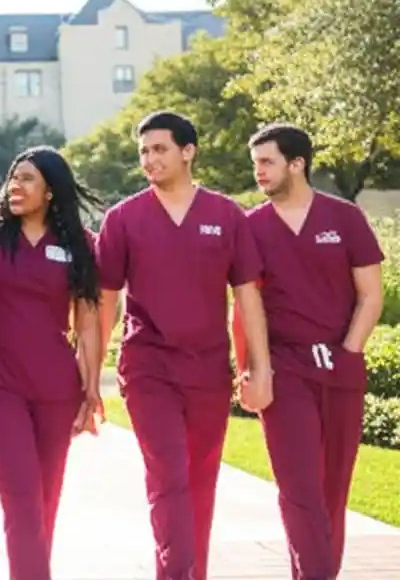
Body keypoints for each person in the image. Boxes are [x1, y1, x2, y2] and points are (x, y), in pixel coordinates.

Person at [96, 111, 273, 580]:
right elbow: (105, 303)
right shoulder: (124, 218)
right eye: (144, 152)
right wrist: (89, 376)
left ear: (188, 151)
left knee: (200, 479)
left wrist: (261, 367)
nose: (149, 160)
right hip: (148, 368)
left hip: (208, 371)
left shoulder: (226, 215)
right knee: (168, 475)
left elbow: (247, 296)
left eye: (159, 149)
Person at [240, 124, 385, 580]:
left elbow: (371, 295)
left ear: (297, 163)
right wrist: (252, 370)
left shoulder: (345, 219)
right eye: (255, 163)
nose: (258, 171)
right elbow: (245, 306)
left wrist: (348, 351)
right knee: (299, 486)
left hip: (341, 365)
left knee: (332, 490)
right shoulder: (250, 228)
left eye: (267, 161)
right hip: (286, 369)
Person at [0, 148, 104, 579]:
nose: (15, 187)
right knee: (22, 497)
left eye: (27, 179)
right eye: (13, 178)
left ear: (50, 191)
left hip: (56, 389)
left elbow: (89, 323)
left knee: (45, 498)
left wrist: (91, 388)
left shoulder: (79, 243)